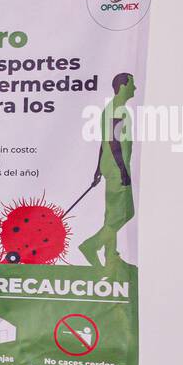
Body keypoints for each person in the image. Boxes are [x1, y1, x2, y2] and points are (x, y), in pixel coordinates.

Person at [77, 72, 137, 267]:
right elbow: (113, 142)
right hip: (117, 169)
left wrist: (98, 169)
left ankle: (111, 256)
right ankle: (91, 245)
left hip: (109, 167)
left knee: (112, 214)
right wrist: (123, 171)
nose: (134, 88)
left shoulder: (110, 109)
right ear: (122, 87)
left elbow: (104, 142)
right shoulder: (118, 110)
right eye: (132, 85)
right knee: (125, 213)